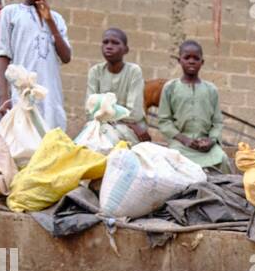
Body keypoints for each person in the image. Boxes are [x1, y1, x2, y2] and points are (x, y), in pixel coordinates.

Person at [0, 0, 71, 133]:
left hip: (50, 94)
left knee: (50, 139)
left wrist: (49, 21)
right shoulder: (10, 13)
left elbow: (66, 57)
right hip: (21, 94)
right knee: (23, 143)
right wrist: (4, 96)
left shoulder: (56, 19)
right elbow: (3, 54)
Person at [157, 40, 229, 171]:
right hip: (180, 145)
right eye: (187, 58)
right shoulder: (170, 88)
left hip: (206, 146)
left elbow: (217, 122)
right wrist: (184, 140)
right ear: (179, 60)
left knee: (223, 159)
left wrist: (211, 141)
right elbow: (164, 121)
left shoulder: (211, 89)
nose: (191, 61)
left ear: (202, 62)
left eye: (196, 58)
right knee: (170, 163)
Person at [86, 28, 150, 144]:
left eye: (115, 43)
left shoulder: (133, 72)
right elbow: (90, 110)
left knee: (110, 140)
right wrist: (109, 118)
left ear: (126, 50)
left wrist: (105, 115)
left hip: (130, 128)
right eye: (105, 42)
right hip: (101, 125)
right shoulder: (95, 72)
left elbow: (134, 114)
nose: (109, 46)